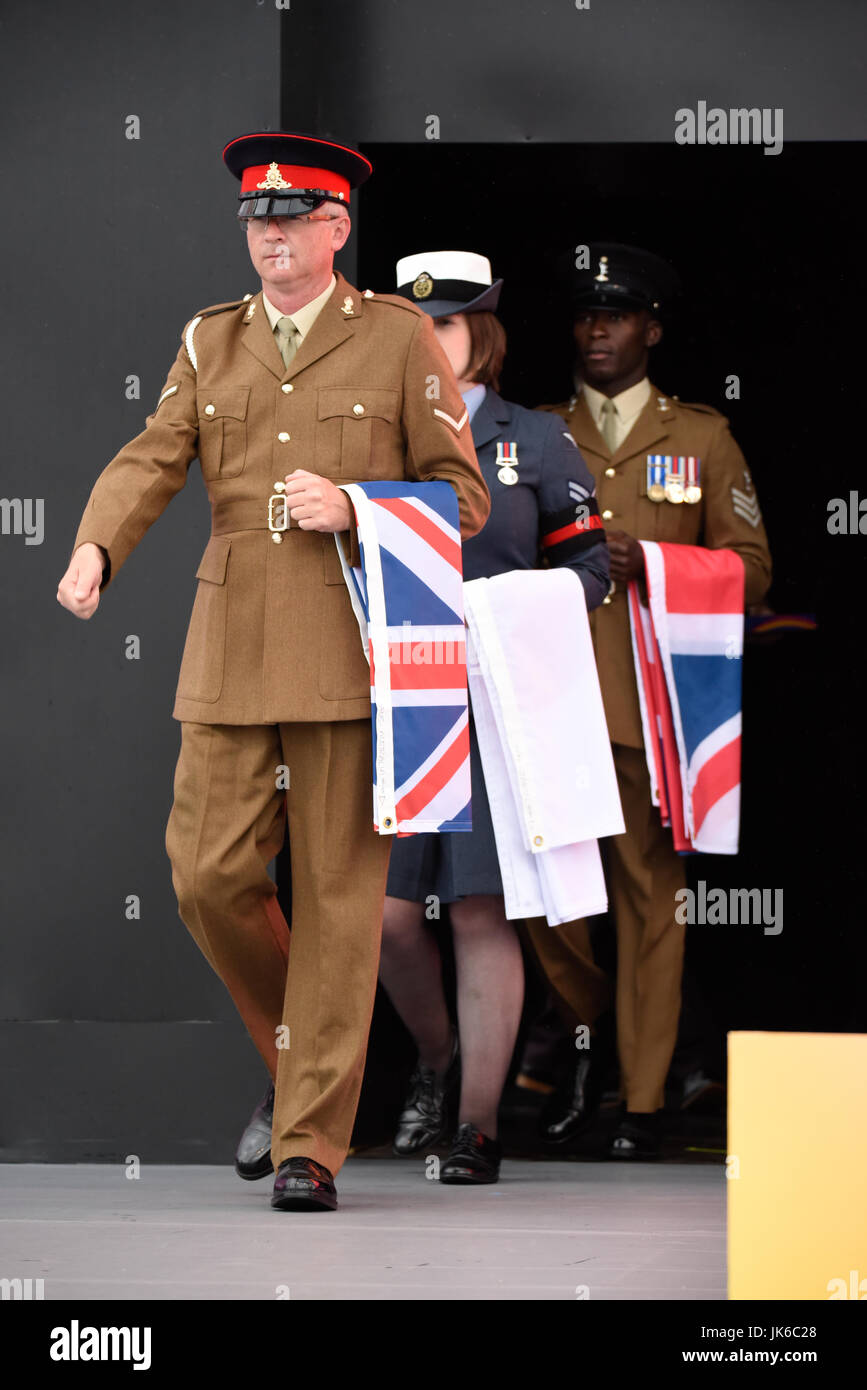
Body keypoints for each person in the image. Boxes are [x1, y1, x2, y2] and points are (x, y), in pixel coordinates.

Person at [55, 133, 490, 1212]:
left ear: (337, 229)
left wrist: (364, 506)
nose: (271, 235)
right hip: (232, 647)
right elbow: (156, 452)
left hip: (347, 654)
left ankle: (311, 1144)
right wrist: (97, 542)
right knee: (206, 876)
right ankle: (306, 1061)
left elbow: (464, 496)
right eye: (257, 219)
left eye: (293, 218)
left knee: (344, 906)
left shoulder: (394, 338)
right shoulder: (211, 340)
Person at [527, 242, 772, 1158]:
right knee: (545, 907)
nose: (597, 330)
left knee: (650, 907)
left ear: (651, 330)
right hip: (550, 707)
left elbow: (752, 574)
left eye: (618, 315)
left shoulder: (700, 437)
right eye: (587, 316)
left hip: (648, 714)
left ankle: (638, 1101)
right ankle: (585, 1036)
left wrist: (659, 566)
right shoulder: (538, 433)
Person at [375, 250, 610, 1183]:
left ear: (483, 335)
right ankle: (436, 1065)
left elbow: (591, 572)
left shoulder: (536, 440)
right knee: (387, 916)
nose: (431, 340)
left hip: (496, 698)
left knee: (479, 911)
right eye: (415, 325)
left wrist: (503, 603)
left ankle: (477, 1126)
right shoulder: (373, 435)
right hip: (394, 695)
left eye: (448, 325)